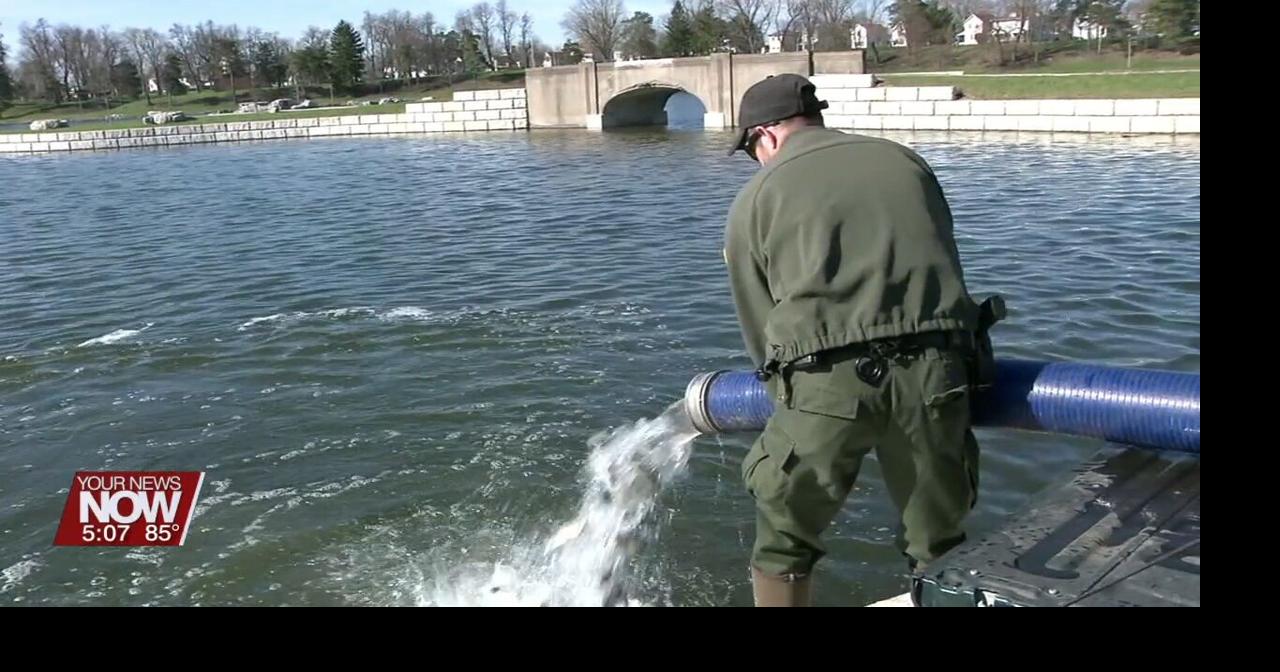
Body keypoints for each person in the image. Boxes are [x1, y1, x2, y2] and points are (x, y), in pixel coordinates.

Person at [722, 73, 1000, 607]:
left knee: (785, 538)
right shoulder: (904, 161)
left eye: (751, 148)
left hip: (824, 383)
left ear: (766, 136)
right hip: (936, 373)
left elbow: (761, 329)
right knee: (937, 537)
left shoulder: (756, 197)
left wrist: (790, 401)